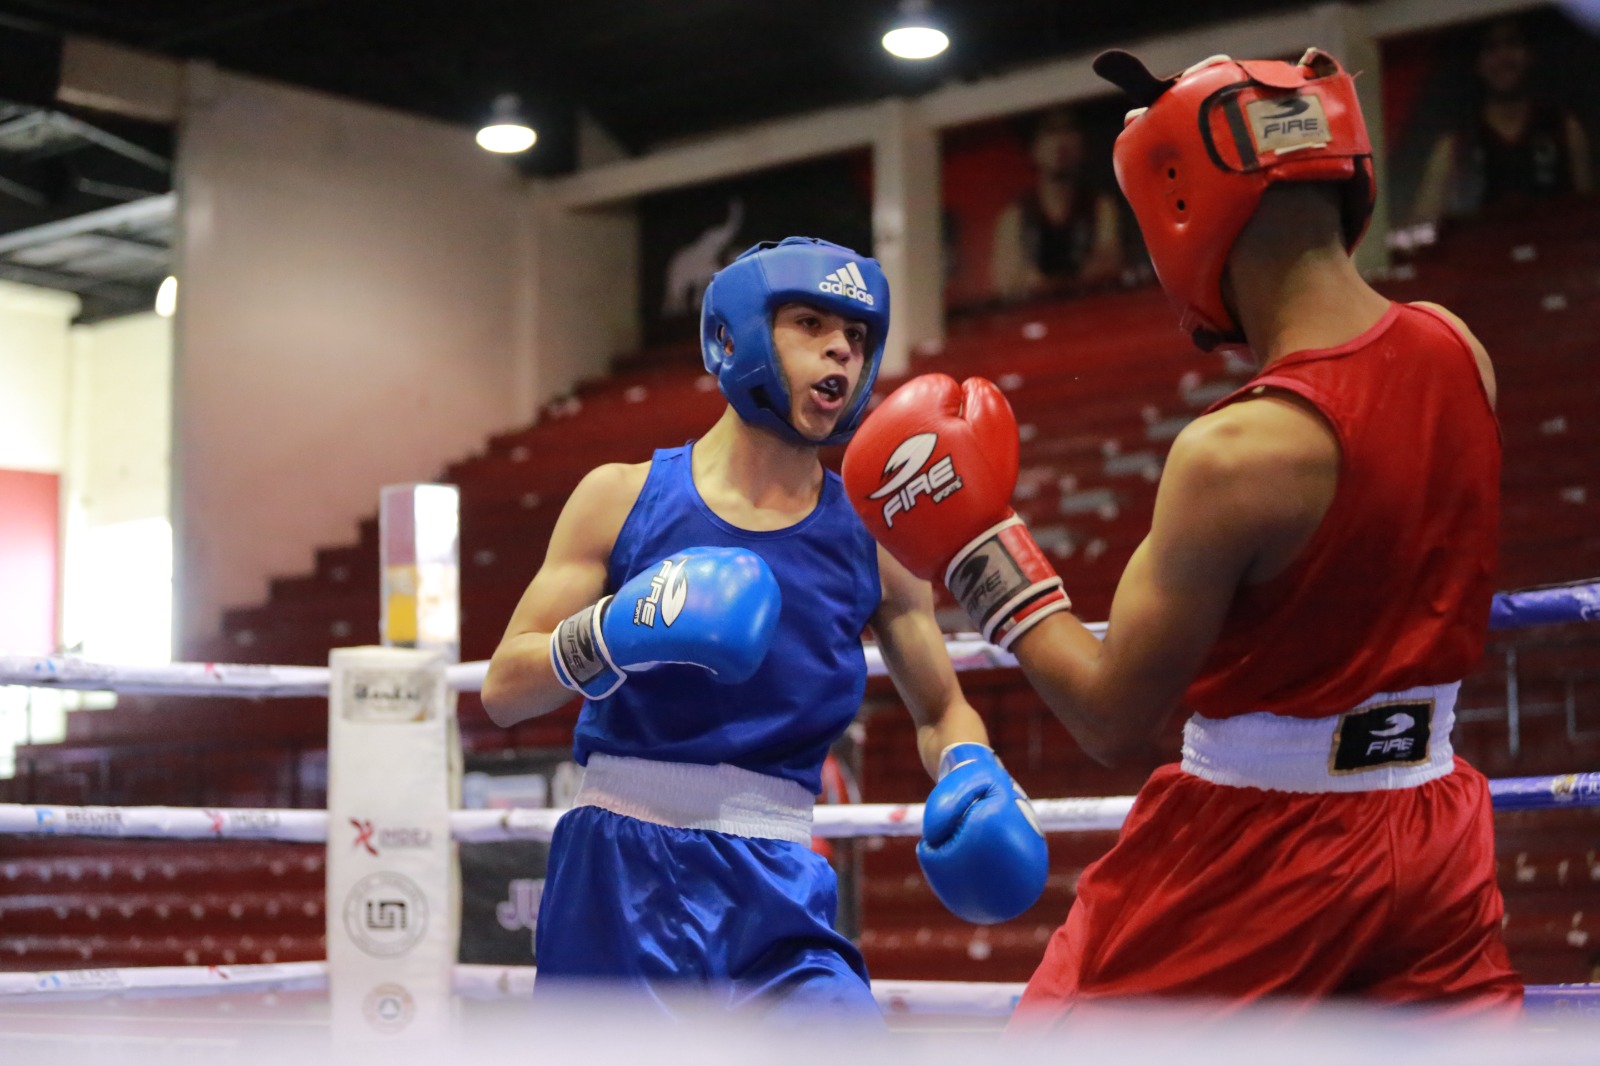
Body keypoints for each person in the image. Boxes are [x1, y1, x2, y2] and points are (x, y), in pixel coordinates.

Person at [842, 49, 1522, 1016]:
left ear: (1183, 206)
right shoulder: (1462, 350)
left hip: (1254, 852)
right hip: (1437, 830)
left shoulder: (1238, 453)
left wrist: (973, 544)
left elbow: (1111, 718)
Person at [480, 237, 1048, 1022]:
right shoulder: (620, 497)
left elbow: (942, 708)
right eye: (811, 323)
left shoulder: (872, 536)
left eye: (855, 336)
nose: (841, 350)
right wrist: (612, 632)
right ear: (734, 336)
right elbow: (505, 690)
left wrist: (970, 766)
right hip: (619, 869)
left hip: (778, 874)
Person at [1411, 16, 1592, 225]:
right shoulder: (1455, 145)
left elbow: (1586, 220)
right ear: (1477, 63)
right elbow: (1422, 228)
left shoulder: (1565, 127)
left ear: (1530, 54)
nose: (1503, 57)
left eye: (1512, 43)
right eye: (1491, 48)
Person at [990, 106, 1125, 302]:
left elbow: (1109, 266)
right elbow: (1007, 282)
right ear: (1034, 147)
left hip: (1092, 311)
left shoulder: (1101, 207)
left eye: (1068, 130)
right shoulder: (1015, 216)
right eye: (1050, 132)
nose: (1060, 143)